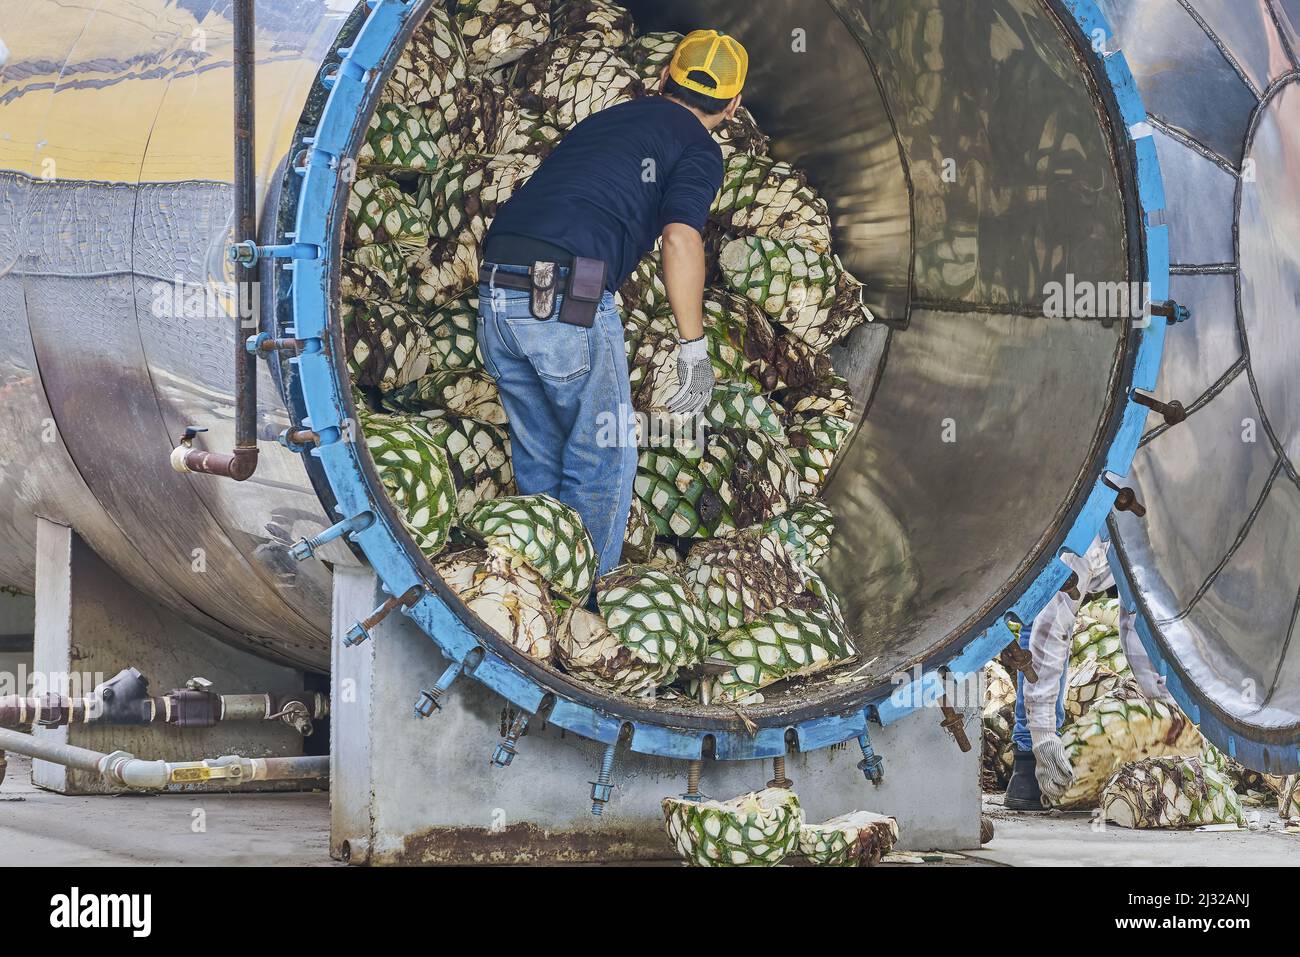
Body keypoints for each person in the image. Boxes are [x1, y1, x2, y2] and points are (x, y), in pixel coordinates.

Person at [476, 30, 748, 584]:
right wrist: (693, 346)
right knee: (603, 452)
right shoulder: (698, 148)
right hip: (566, 296)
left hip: (498, 291)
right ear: (733, 106)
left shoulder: (609, 119)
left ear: (664, 76)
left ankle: (530, 589)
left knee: (542, 448)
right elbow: (680, 239)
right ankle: (581, 603)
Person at [1004, 534, 1173, 810]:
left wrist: (1166, 710)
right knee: (1037, 611)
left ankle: (1027, 770)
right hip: (1042, 536)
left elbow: (1137, 621)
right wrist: (1042, 735)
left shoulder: (1154, 539)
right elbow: (1052, 628)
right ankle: (1028, 765)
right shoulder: (1088, 539)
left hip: (1108, 550)